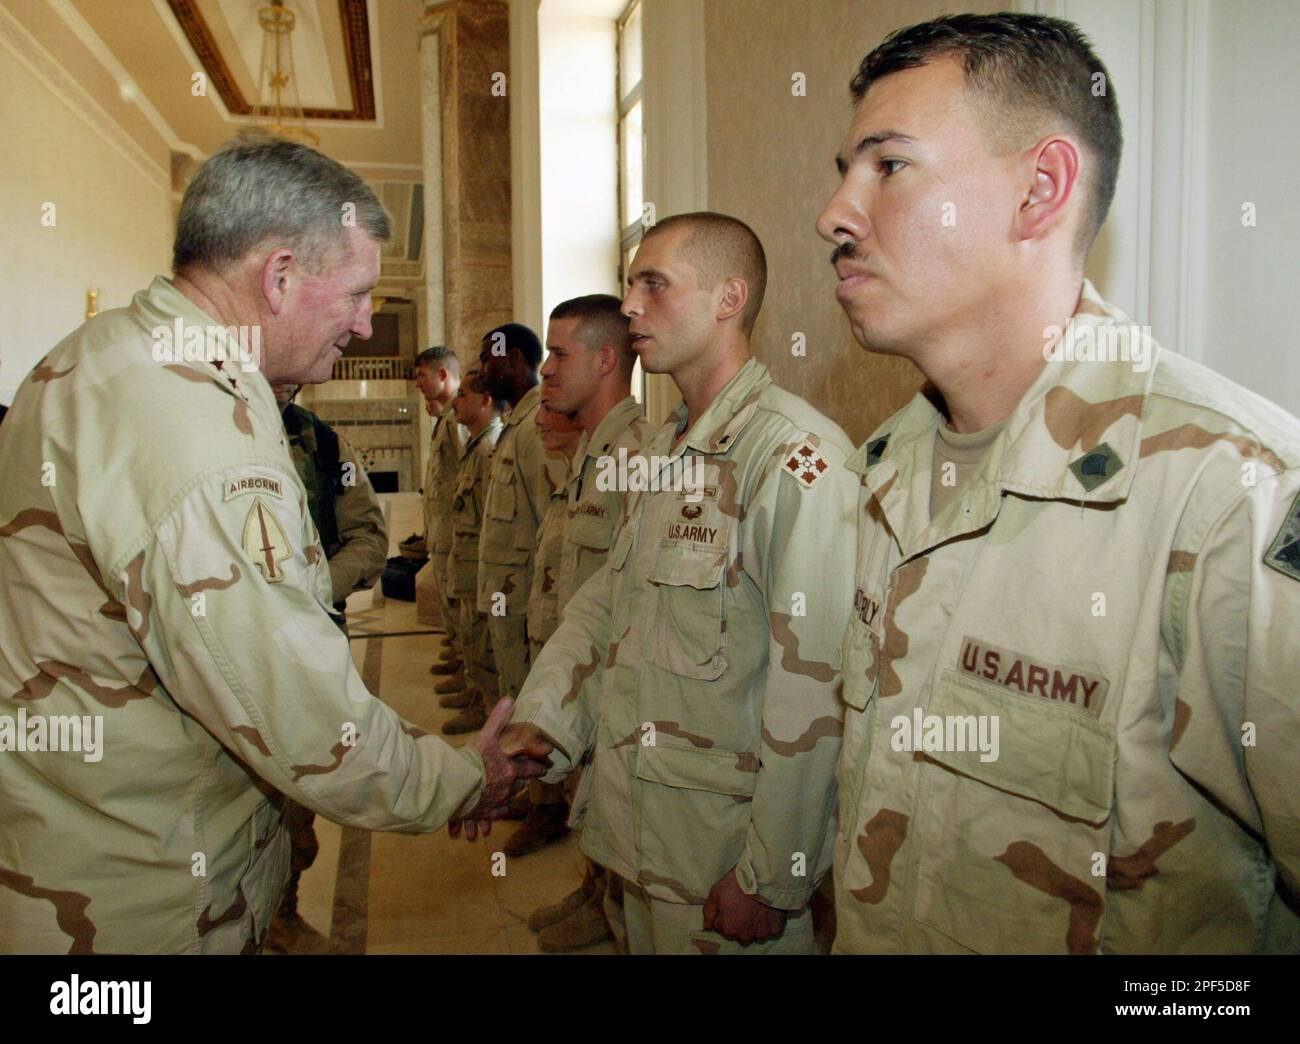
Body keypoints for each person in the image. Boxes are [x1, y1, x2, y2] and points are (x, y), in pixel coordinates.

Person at [818, 12, 1300, 954]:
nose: (835, 212)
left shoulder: (1229, 492)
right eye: (843, 173)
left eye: (887, 166)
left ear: (1039, 191)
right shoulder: (886, 467)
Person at [0, 135, 545, 954]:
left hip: (81, 839)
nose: (366, 324)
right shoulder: (195, 431)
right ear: (280, 276)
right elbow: (299, 713)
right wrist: (467, 779)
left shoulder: (105, 352)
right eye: (358, 293)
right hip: (142, 900)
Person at [463, 213, 859, 955]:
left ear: (728, 298)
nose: (631, 307)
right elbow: (608, 604)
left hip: (721, 862)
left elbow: (816, 690)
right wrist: (540, 728)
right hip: (636, 838)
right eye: (628, 285)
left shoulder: (796, 459)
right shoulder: (666, 449)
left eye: (654, 285)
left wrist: (772, 878)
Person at [525, 293, 653, 951]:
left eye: (558, 353)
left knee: (612, 809)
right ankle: (594, 896)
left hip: (613, 686)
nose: (545, 370)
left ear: (606, 360)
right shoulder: (591, 450)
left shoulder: (637, 455)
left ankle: (612, 915)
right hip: (581, 681)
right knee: (591, 806)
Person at [266, 383, 388, 953]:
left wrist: (311, 595)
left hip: (302, 653)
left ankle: (280, 909)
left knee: (292, 798)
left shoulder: (323, 444)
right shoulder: (185, 424)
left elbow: (368, 538)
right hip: (195, 658)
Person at [504, 404, 585, 861]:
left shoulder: (628, 461)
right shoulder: (574, 471)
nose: (538, 418)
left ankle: (601, 894)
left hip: (585, 665)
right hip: (555, 644)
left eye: (560, 359)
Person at [442, 370, 504, 735]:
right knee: (472, 640)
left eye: (462, 395)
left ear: (484, 401)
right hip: (467, 565)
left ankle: (487, 710)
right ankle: (476, 696)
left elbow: (489, 522)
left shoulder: (489, 449)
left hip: (480, 569)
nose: (455, 401)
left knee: (485, 647)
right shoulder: (475, 445)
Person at [413, 347, 468, 694]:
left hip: (457, 530)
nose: (417, 383)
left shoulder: (458, 419)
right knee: (450, 600)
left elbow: (468, 475)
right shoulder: (445, 416)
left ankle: (471, 675)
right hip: (443, 529)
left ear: (443, 376)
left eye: (422, 375)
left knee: (461, 603)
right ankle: (460, 656)